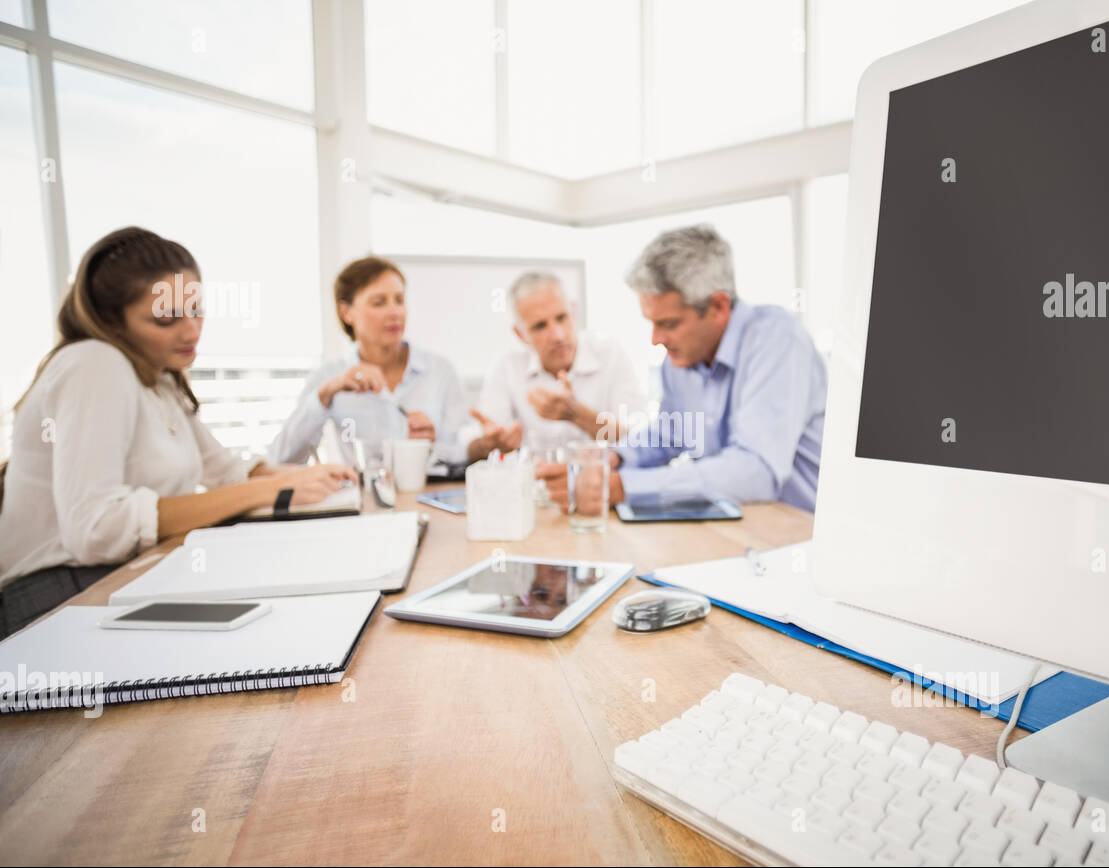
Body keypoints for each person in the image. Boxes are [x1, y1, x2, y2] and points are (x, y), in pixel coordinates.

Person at [0, 227, 355, 637]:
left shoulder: (159, 379)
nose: (192, 332)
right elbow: (95, 530)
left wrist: (307, 479)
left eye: (197, 311)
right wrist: (268, 491)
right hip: (56, 597)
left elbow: (224, 469)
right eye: (166, 319)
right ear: (111, 322)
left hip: (121, 574)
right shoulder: (93, 364)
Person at [538, 224, 826, 513]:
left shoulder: (776, 339)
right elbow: (669, 435)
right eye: (652, 323)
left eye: (669, 324)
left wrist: (621, 487)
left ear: (718, 307)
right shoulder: (681, 359)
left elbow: (756, 472)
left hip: (801, 534)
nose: (656, 339)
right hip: (736, 528)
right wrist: (615, 459)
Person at [267, 256, 513, 468]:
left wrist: (460, 445)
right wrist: (326, 393)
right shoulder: (329, 378)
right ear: (347, 312)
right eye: (379, 302)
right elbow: (281, 460)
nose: (395, 312)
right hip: (361, 508)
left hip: (429, 501)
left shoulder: (439, 371)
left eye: (399, 300)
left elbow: (461, 447)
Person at [471, 272, 647, 453]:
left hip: (598, 479)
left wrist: (577, 414)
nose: (558, 336)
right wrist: (489, 444)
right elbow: (473, 447)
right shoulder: (505, 368)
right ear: (519, 334)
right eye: (540, 326)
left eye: (562, 317)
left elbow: (639, 442)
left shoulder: (611, 355)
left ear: (574, 311)